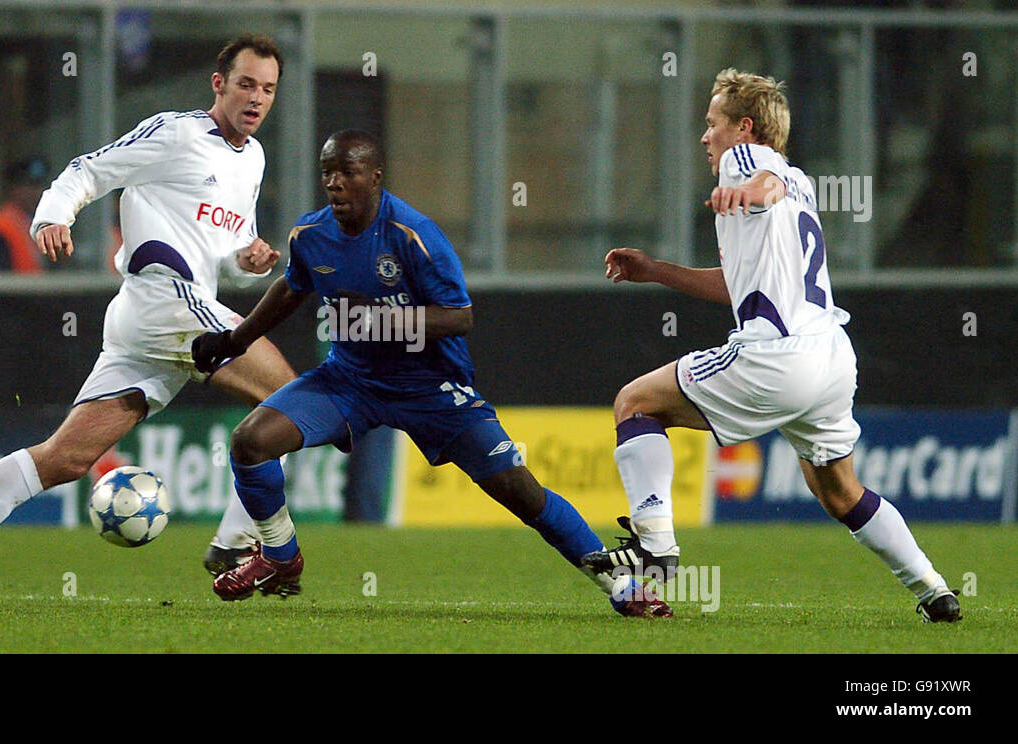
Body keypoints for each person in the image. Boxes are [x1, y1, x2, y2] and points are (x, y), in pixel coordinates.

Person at [0, 34, 296, 605]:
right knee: (296, 402)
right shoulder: (177, 133)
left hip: (165, 319)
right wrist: (52, 215)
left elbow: (221, 246)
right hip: (162, 301)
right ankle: (235, 542)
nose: (257, 98)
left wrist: (247, 259)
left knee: (66, 458)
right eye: (247, 83)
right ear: (219, 84)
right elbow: (88, 169)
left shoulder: (252, 159)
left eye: (269, 89)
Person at [192, 130, 671, 618]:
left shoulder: (413, 235)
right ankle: (279, 556)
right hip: (350, 381)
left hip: (431, 389)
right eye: (327, 174)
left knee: (521, 493)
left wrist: (381, 318)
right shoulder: (311, 236)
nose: (335, 185)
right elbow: (291, 289)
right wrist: (234, 341)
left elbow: (459, 316)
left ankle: (624, 587)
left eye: (348, 173)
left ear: (375, 178)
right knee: (251, 441)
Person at [584, 69, 960, 622]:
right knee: (840, 492)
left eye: (711, 124)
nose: (704, 137)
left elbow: (764, 183)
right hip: (831, 357)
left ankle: (656, 550)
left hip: (778, 356)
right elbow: (738, 285)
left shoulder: (749, 161)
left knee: (635, 403)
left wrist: (749, 188)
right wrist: (655, 271)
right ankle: (936, 591)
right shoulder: (801, 182)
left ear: (744, 126)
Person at [0, 158, 50, 273]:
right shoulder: (1, 228)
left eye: (39, 186)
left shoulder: (33, 223)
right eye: (29, 186)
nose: (37, 193)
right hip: (15, 290)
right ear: (13, 189)